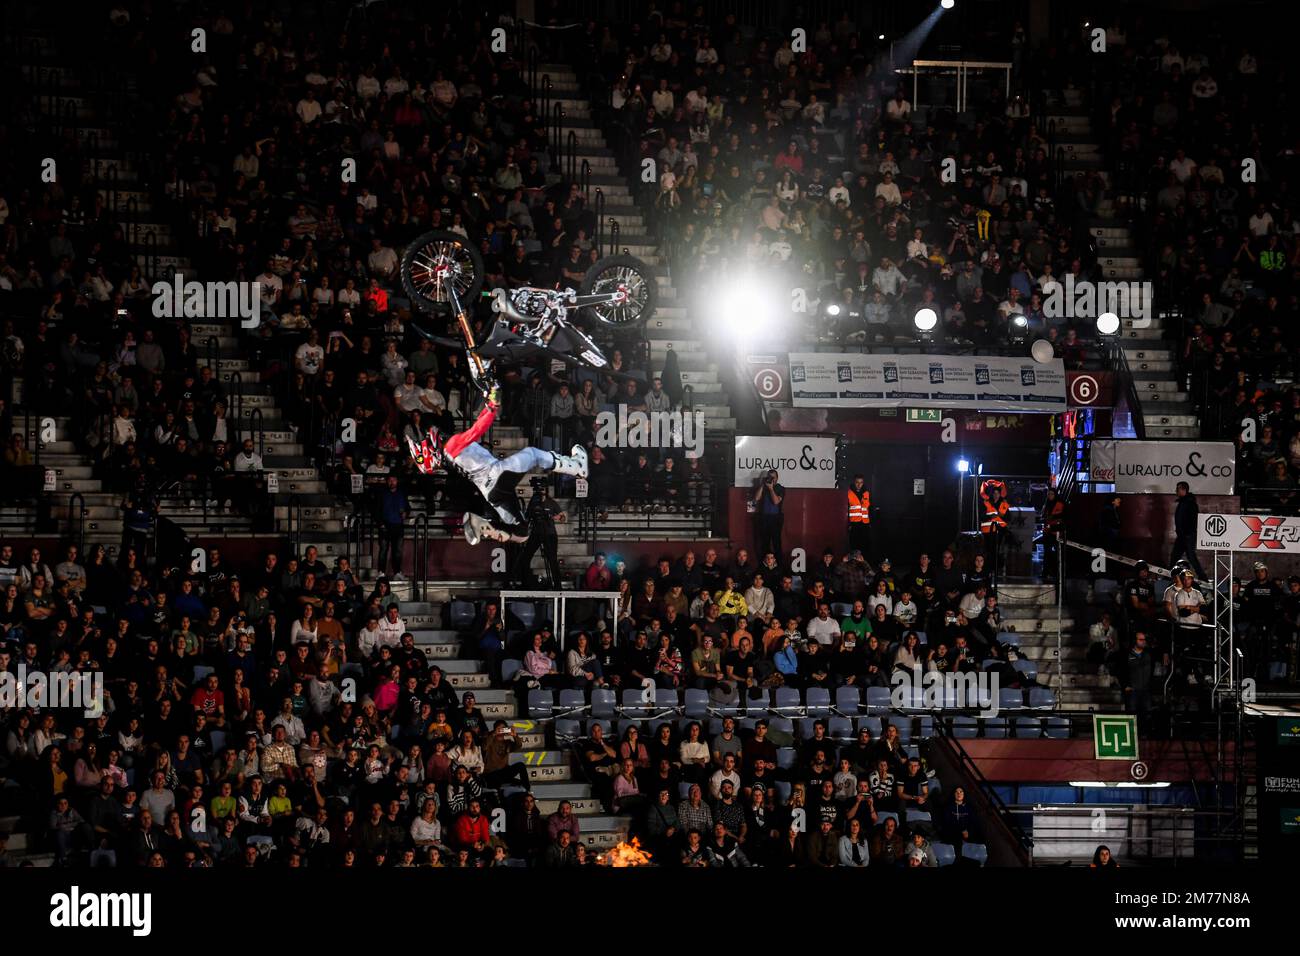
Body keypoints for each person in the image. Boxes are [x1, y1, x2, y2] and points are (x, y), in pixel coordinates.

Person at [407, 379, 586, 543]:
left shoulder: (448, 456)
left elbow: (475, 429)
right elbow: (477, 430)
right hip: (495, 475)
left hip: (491, 494)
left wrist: (488, 404)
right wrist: (493, 406)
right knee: (532, 454)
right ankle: (577, 466)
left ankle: (488, 529)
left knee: (523, 533)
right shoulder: (451, 445)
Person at [513, 480, 564, 588]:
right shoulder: (533, 502)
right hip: (536, 533)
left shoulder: (551, 502)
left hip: (549, 534)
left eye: (541, 489)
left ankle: (558, 586)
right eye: (537, 490)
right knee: (525, 558)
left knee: (552, 560)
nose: (539, 492)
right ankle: (526, 583)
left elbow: (563, 517)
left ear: (545, 490)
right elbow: (527, 517)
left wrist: (552, 516)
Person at [1170, 481, 1207, 580]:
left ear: (1183, 490)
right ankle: (1169, 574)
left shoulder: (1190, 503)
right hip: (1183, 535)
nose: (1176, 491)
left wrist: (1187, 534)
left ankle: (1203, 577)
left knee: (1190, 556)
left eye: (1178, 489)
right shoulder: (1183, 502)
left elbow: (1193, 520)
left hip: (1187, 536)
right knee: (1175, 555)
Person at [752, 469, 785, 558]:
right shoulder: (764, 488)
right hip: (764, 519)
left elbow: (775, 501)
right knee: (764, 543)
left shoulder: (780, 488)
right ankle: (764, 566)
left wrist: (771, 489)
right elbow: (756, 498)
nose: (771, 479)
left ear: (777, 478)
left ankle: (778, 566)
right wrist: (763, 485)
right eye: (769, 477)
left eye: (773, 477)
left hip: (776, 519)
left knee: (776, 544)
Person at [846, 474, 872, 557]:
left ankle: (864, 565)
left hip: (865, 524)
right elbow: (846, 509)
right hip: (854, 524)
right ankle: (854, 566)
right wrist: (849, 524)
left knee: (865, 546)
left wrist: (869, 523)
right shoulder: (849, 493)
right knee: (854, 546)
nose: (859, 484)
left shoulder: (866, 493)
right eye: (857, 482)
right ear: (854, 482)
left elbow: (869, 508)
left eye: (861, 482)